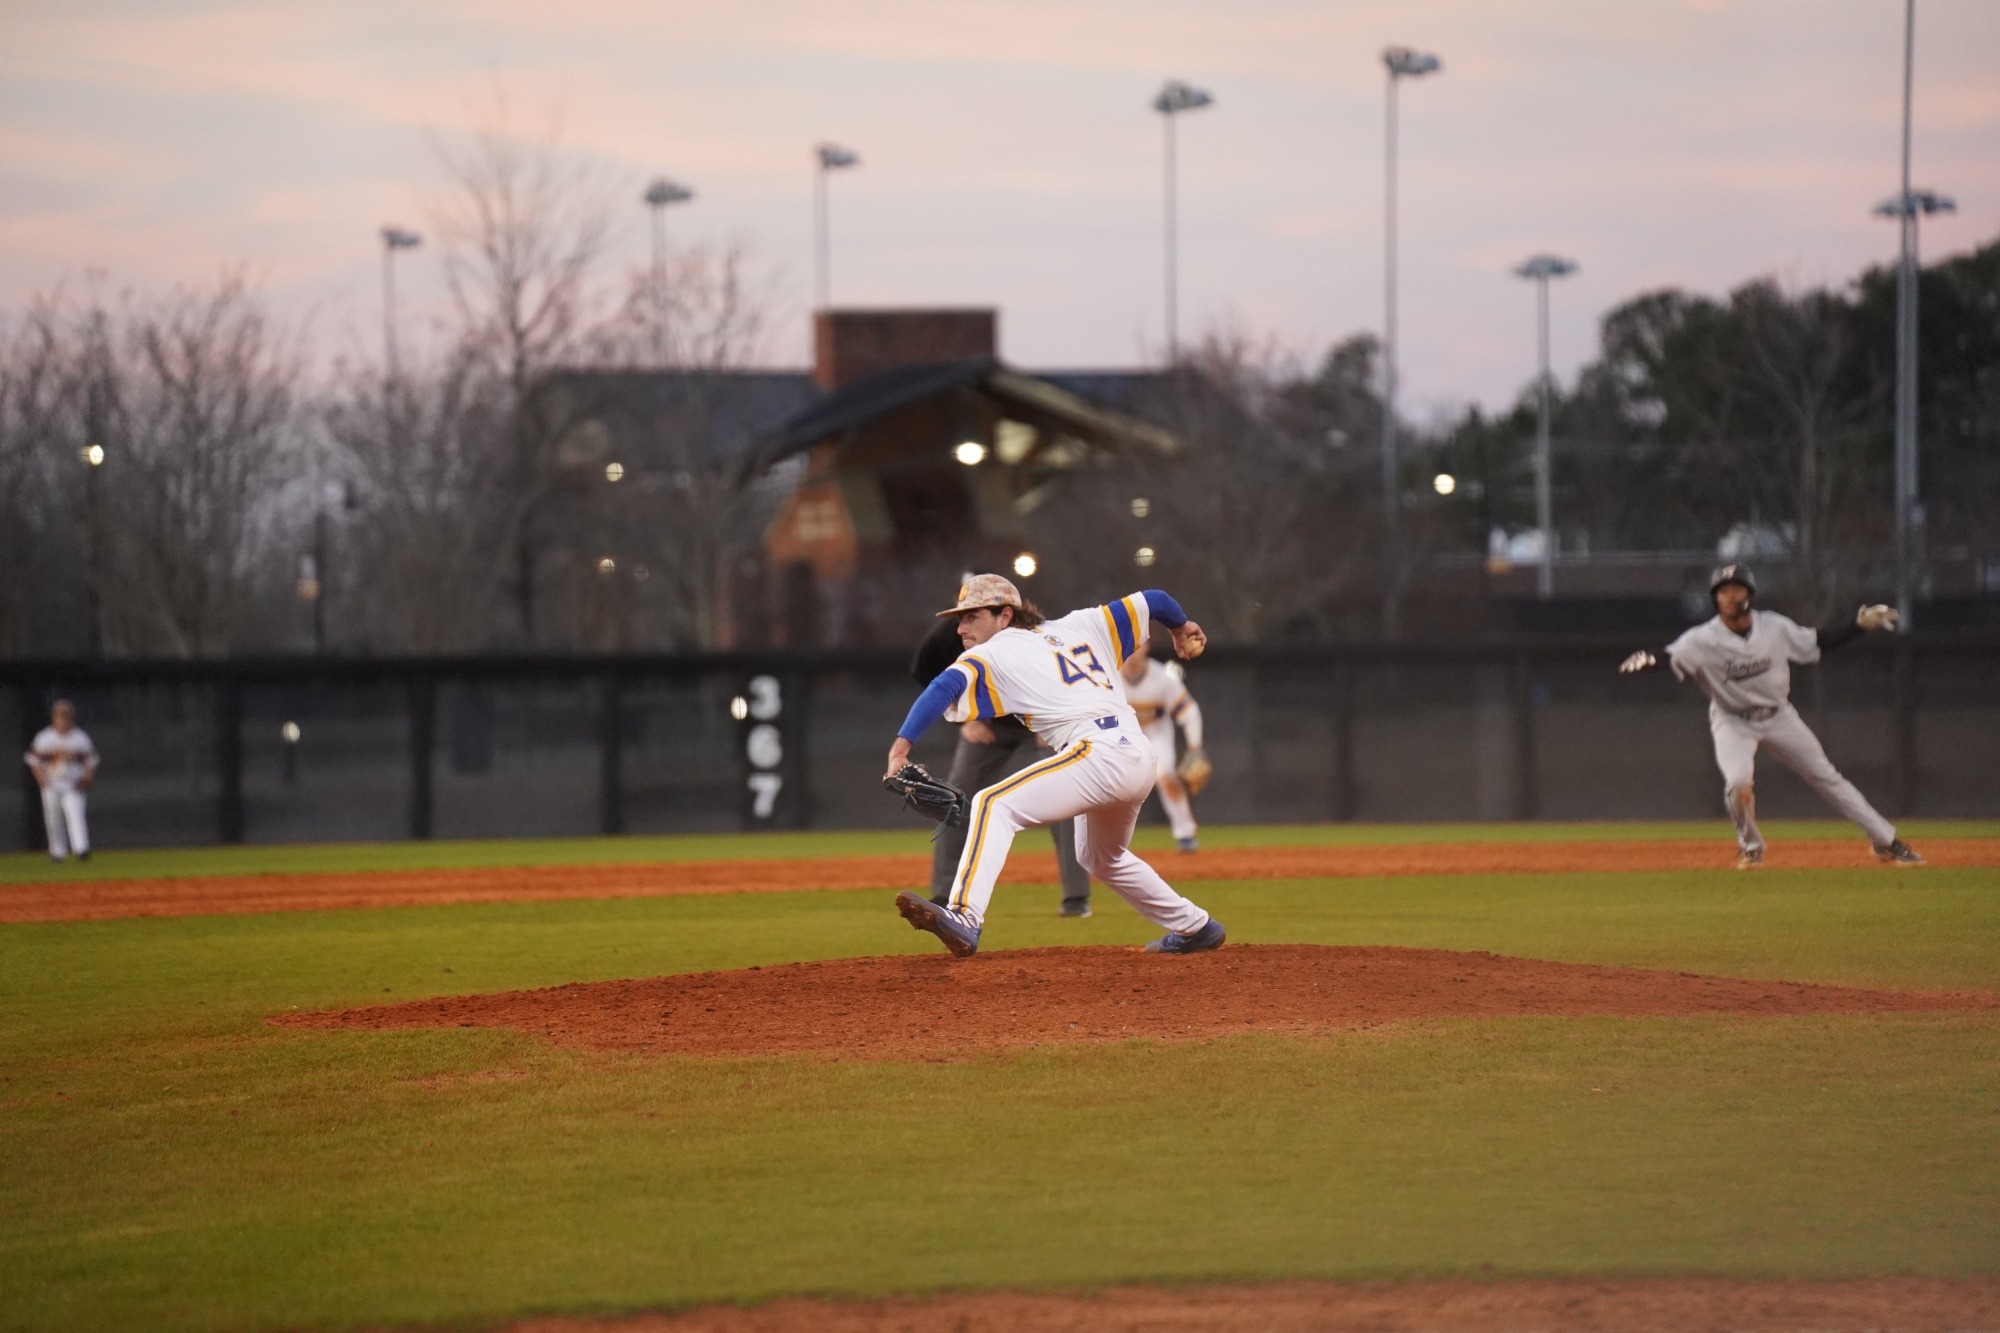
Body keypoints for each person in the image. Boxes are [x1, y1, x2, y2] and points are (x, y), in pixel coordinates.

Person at [885, 574, 1225, 957]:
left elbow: (941, 688)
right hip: (1137, 757)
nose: (960, 627)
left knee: (993, 803)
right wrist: (1181, 627)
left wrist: (900, 749)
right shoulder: (1083, 624)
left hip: (1098, 753)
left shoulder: (992, 652)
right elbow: (1156, 599)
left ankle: (965, 915)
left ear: (1004, 615)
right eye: (959, 619)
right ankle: (1196, 926)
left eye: (971, 616)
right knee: (1100, 857)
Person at [1618, 563, 1922, 869]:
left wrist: (1859, 625)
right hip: (1732, 720)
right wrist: (1649, 659)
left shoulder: (1774, 627)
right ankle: (1751, 847)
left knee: (1827, 778)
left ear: (1750, 595)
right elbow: (1670, 656)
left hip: (1779, 716)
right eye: (1722, 592)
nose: (1728, 597)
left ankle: (1886, 841)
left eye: (1735, 590)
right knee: (1738, 783)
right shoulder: (1702, 639)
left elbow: (1817, 642)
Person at [911, 614, 1093, 917]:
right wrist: (965, 722)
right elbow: (924, 672)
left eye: (976, 610)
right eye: (964, 608)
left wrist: (1052, 723)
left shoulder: (1029, 629)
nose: (965, 619)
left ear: (1001, 612)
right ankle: (944, 895)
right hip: (990, 723)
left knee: (1065, 797)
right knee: (957, 793)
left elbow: (1062, 670)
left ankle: (1076, 898)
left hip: (1042, 722)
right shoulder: (949, 632)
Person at [1118, 650, 1206, 853]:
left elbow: (1189, 712)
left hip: (1156, 735)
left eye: (1138, 645)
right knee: (1109, 785)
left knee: (1166, 777)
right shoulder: (1110, 675)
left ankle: (1185, 835)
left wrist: (1195, 747)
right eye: (1129, 644)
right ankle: (1105, 843)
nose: (1133, 652)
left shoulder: (1162, 677)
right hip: (1123, 737)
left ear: (1146, 646)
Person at [25, 699, 98, 862]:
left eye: (67, 714)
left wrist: (88, 778)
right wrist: (42, 780)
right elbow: (33, 761)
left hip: (73, 783)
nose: (64, 717)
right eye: (61, 714)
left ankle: (81, 849)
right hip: (52, 783)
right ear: (54, 717)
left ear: (72, 716)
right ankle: (57, 852)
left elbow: (91, 761)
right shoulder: (44, 738)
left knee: (76, 814)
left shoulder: (80, 738)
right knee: (53, 818)